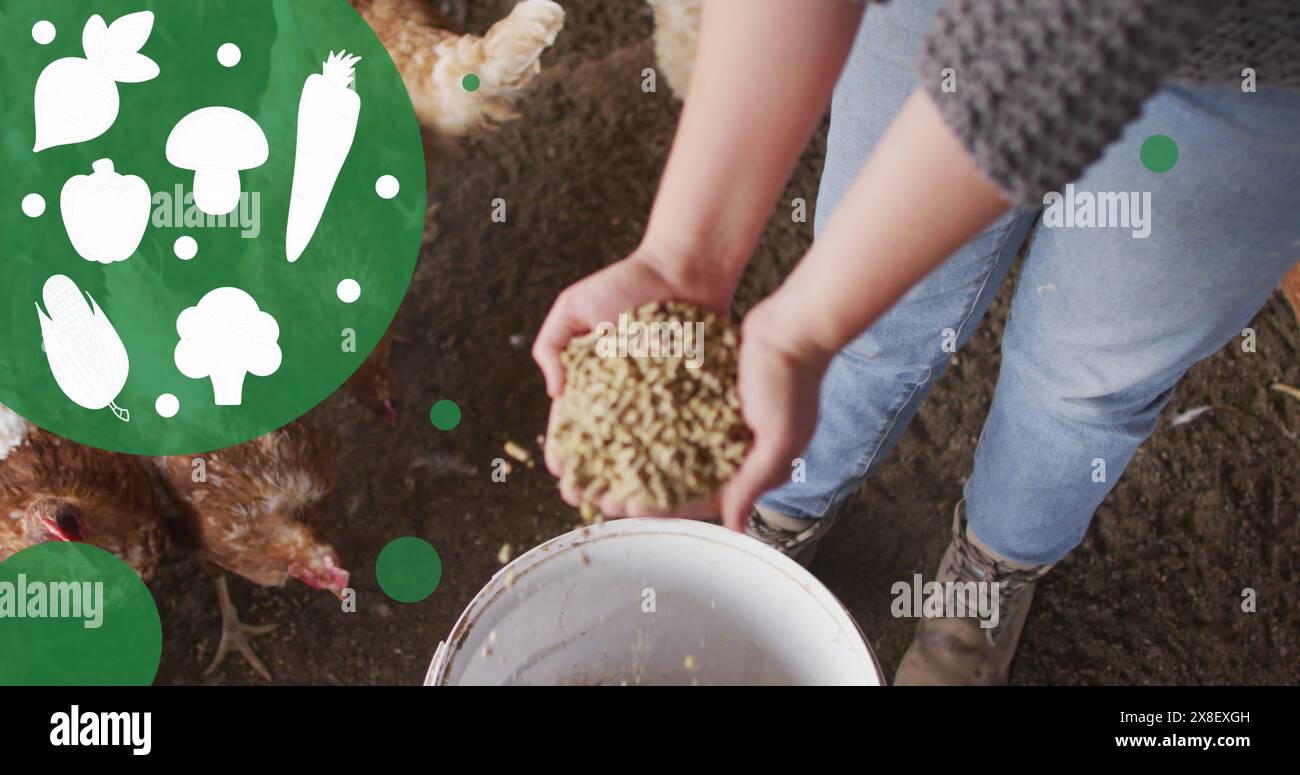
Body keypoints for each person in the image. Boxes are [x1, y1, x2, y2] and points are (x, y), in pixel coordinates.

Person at [531, 0, 1300, 684]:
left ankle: (990, 571)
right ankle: (782, 506)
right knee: (870, 310)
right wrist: (682, 259)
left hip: (1248, 72)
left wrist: (799, 327)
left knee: (1086, 373)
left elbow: (1074, 26)